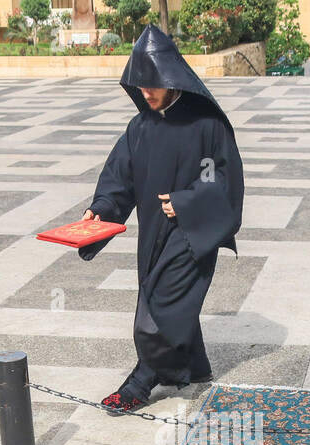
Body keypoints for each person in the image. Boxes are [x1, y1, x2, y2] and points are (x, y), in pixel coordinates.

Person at [78, 24, 244, 412]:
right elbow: (119, 178)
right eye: (140, 86)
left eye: (152, 85)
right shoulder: (139, 128)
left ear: (173, 79)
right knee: (165, 297)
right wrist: (100, 211)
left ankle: (140, 382)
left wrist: (187, 203)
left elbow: (221, 179)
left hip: (190, 234)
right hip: (152, 233)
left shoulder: (207, 126)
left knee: (160, 306)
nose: (146, 93)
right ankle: (195, 366)